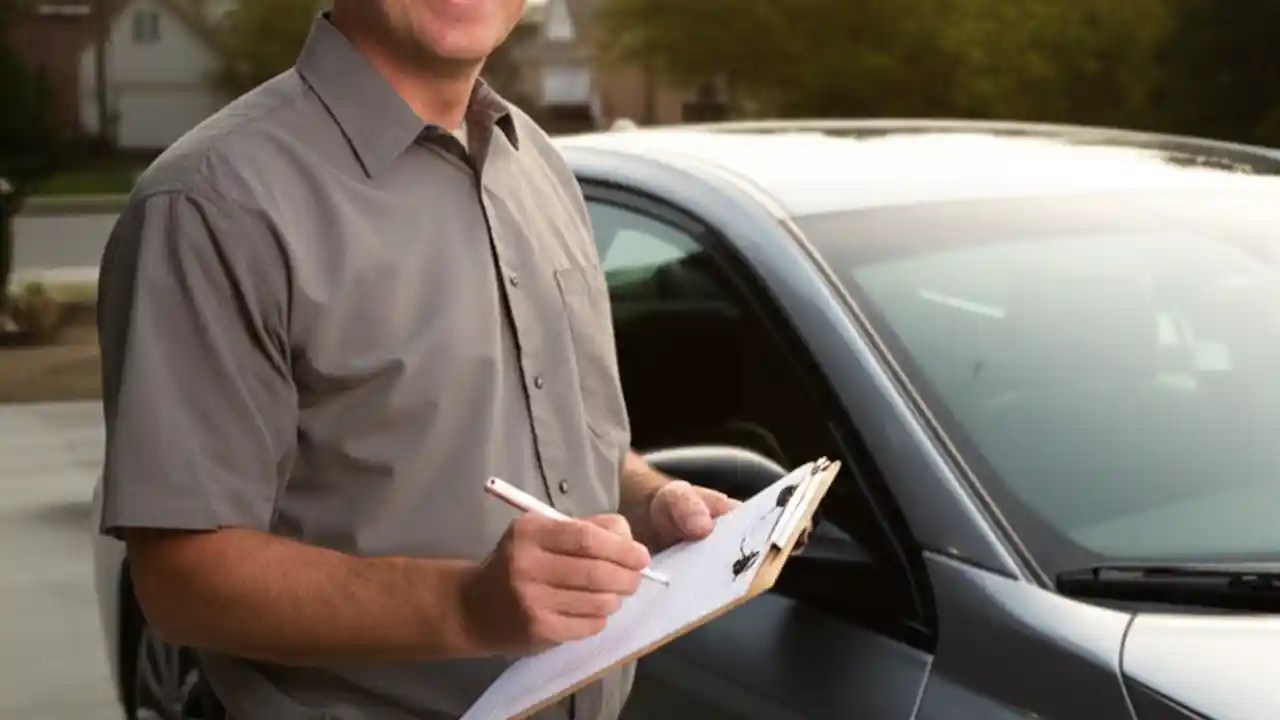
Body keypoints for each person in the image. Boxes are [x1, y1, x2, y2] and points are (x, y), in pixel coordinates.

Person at [94, 2, 737, 718]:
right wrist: (468, 607)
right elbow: (182, 581)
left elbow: (559, 437)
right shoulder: (213, 203)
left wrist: (646, 502)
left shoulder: (538, 166)